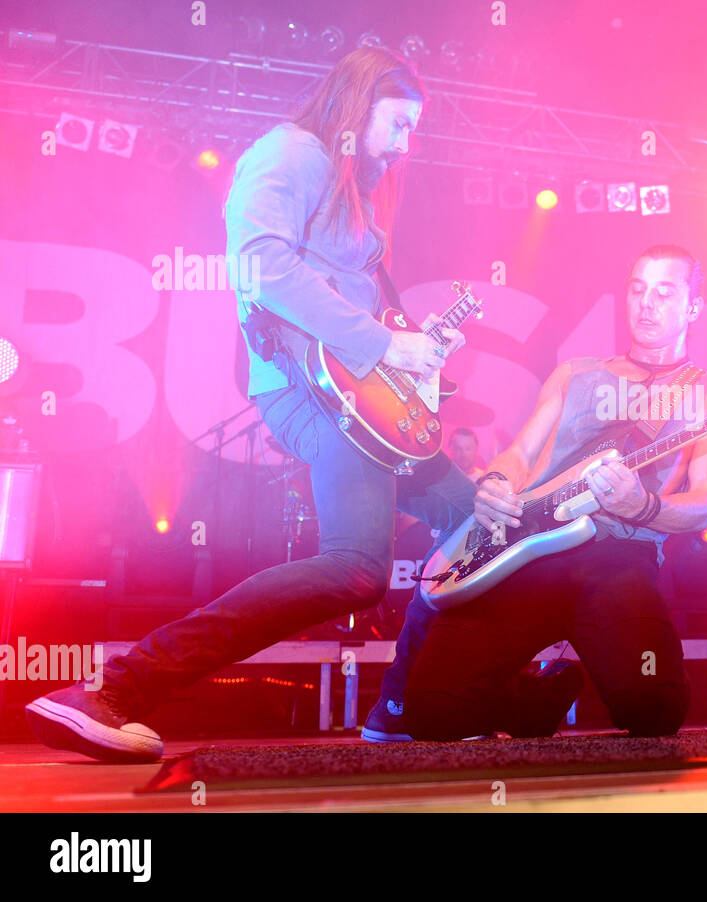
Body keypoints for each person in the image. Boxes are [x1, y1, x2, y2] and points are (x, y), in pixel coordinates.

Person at [26, 47, 478, 762]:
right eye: (398, 123)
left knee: (474, 519)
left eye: (413, 128)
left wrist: (410, 351)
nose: (405, 144)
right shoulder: (291, 151)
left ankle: (410, 702)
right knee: (359, 568)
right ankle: (112, 689)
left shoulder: (356, 188)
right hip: (308, 394)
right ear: (358, 109)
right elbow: (262, 266)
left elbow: (355, 305)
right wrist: (382, 347)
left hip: (368, 405)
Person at [363, 244, 707, 742]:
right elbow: (519, 457)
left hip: (618, 561)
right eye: (637, 290)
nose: (646, 303)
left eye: (664, 293)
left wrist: (642, 506)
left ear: (692, 307)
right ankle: (536, 700)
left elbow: (703, 505)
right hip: (528, 553)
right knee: (432, 712)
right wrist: (496, 482)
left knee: (654, 707)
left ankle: (600, 681)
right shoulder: (574, 374)